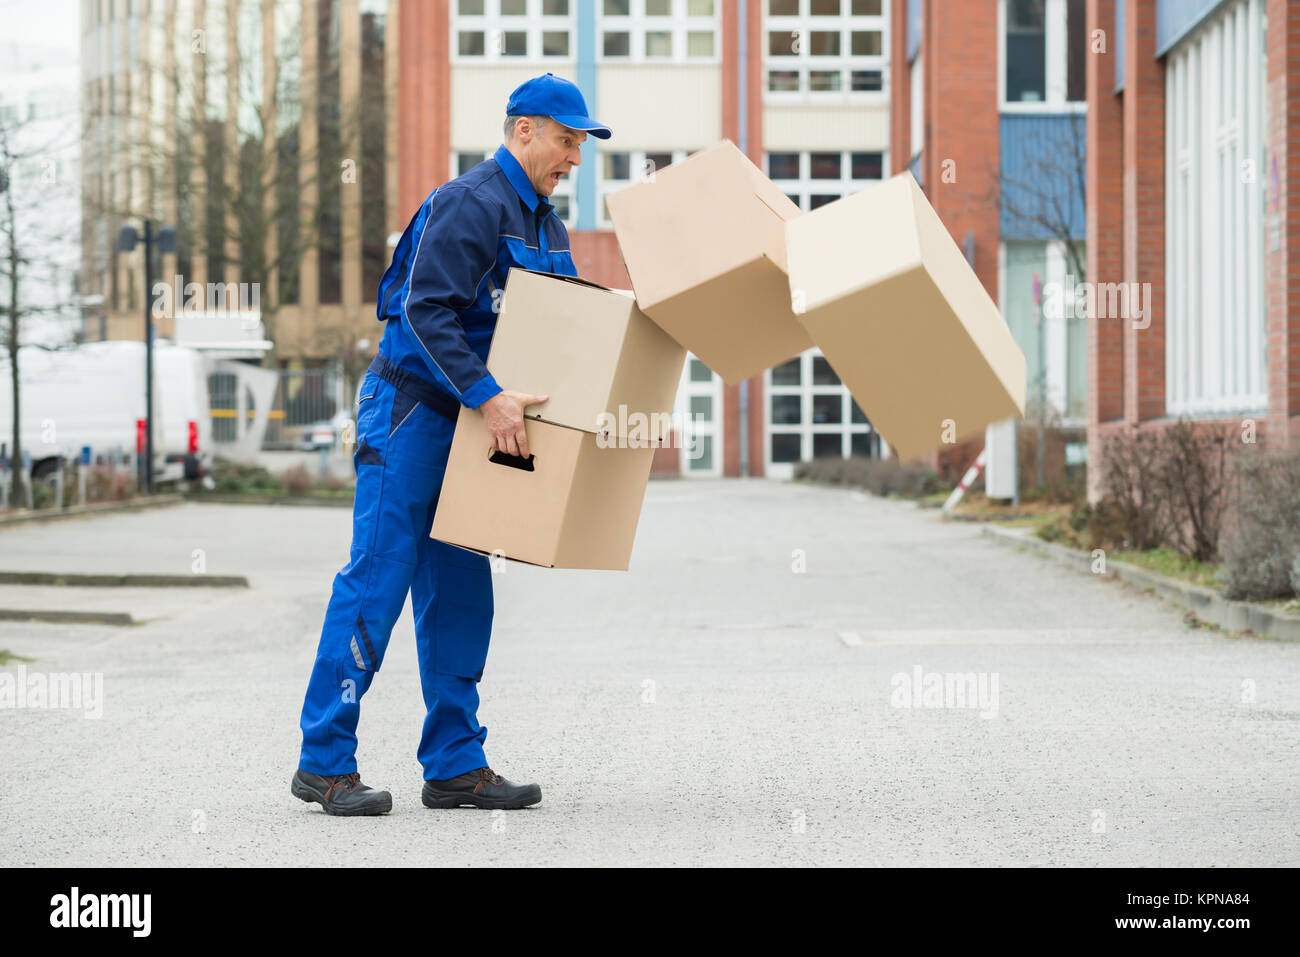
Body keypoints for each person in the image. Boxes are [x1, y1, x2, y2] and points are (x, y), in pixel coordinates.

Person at [291, 73, 611, 815]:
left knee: (463, 592)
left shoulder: (548, 228)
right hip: (412, 412)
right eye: (567, 141)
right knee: (377, 582)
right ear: (522, 130)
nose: (574, 159)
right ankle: (324, 759)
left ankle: (455, 763)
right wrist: (488, 395)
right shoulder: (469, 203)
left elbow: (558, 334)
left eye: (581, 146)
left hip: (475, 425)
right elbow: (422, 310)